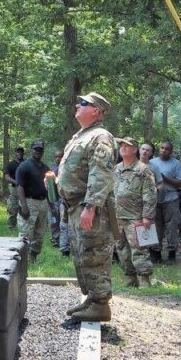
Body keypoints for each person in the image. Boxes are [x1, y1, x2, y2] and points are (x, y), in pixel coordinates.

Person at [58, 92, 116, 323]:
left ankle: (101, 305)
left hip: (89, 207)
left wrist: (91, 206)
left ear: (96, 111)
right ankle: (93, 299)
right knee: (83, 253)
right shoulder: (82, 135)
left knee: (93, 253)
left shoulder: (100, 136)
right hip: (75, 205)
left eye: (83, 103)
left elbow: (100, 173)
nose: (77, 105)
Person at [113, 136, 157, 287]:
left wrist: (148, 216)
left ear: (134, 150)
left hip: (136, 217)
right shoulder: (116, 168)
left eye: (127, 146)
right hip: (118, 217)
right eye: (121, 145)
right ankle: (130, 279)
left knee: (139, 249)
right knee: (121, 248)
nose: (123, 148)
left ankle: (144, 280)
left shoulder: (143, 170)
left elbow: (150, 195)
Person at [148, 140, 181, 263]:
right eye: (162, 148)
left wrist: (165, 178)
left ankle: (171, 253)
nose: (164, 150)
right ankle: (155, 252)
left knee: (172, 227)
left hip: (171, 199)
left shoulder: (176, 164)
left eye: (167, 149)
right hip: (155, 199)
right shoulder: (151, 162)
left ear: (171, 151)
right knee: (155, 227)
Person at [15, 140, 50, 261]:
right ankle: (20, 258)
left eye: (40, 150)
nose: (38, 152)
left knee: (40, 234)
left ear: (43, 152)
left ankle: (32, 257)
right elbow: (20, 187)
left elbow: (49, 187)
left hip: (43, 203)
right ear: (31, 150)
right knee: (26, 232)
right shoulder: (24, 166)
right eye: (35, 149)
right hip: (29, 202)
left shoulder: (45, 168)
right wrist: (24, 206)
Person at [4, 147, 25, 230]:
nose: (19, 153)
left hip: (25, 188)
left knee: (24, 208)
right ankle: (11, 227)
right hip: (14, 188)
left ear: (23, 153)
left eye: (21, 152)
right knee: (12, 208)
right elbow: (7, 177)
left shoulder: (26, 163)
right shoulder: (10, 164)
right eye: (18, 152)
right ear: (15, 153)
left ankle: (23, 227)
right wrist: (16, 181)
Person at [49, 149, 63, 247]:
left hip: (63, 197)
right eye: (56, 157)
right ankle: (55, 239)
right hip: (54, 198)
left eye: (60, 156)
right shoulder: (51, 168)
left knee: (63, 220)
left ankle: (64, 241)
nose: (58, 158)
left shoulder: (66, 168)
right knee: (54, 220)